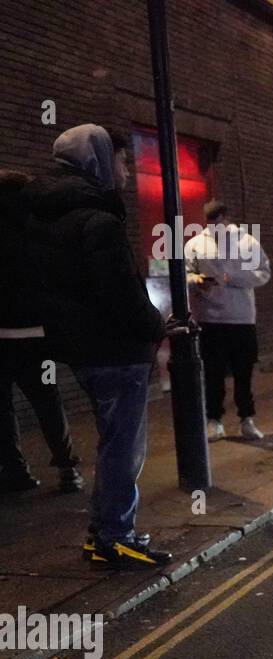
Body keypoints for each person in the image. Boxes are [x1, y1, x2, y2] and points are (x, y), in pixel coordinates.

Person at [23, 124, 178, 564]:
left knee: (113, 442)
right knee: (123, 447)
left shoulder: (44, 216)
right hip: (117, 352)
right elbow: (121, 295)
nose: (127, 171)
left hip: (81, 350)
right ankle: (114, 537)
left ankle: (103, 532)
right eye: (122, 160)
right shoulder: (99, 220)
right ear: (97, 161)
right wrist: (157, 325)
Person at [0, 170, 82, 493]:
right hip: (36, 335)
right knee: (48, 401)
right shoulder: (39, 227)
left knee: (2, 408)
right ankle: (67, 469)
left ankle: (16, 471)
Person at [184, 200, 271, 442]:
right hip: (209, 318)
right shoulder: (195, 244)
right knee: (213, 373)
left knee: (244, 372)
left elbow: (263, 273)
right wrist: (198, 281)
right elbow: (185, 274)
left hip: (242, 317)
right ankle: (215, 421)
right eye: (210, 224)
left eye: (218, 223)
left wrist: (230, 277)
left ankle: (247, 420)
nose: (214, 229)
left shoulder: (247, 243)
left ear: (226, 218)